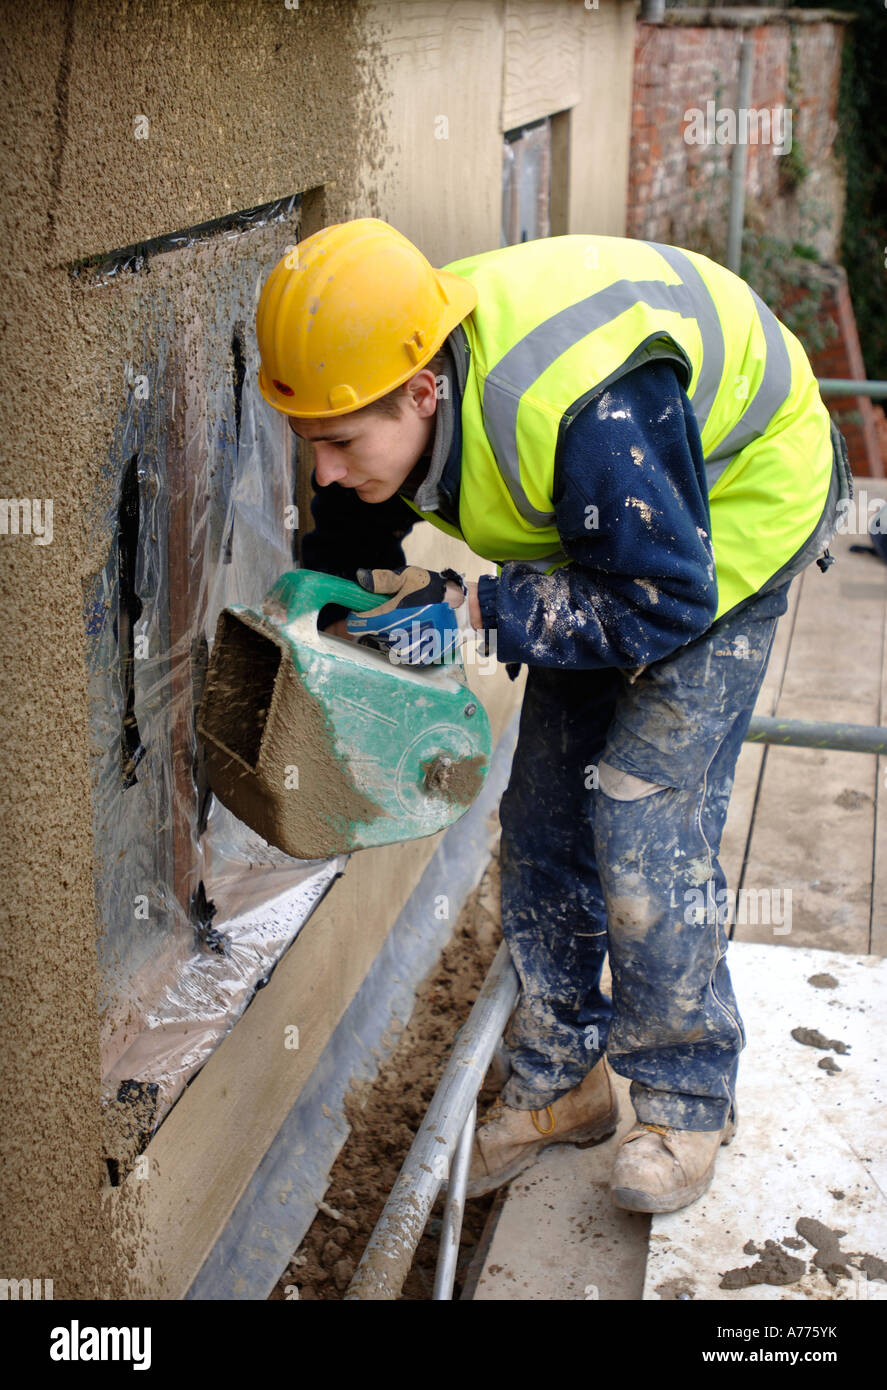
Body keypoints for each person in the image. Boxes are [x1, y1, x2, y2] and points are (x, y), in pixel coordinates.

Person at [255, 218, 852, 1213]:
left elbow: (658, 601)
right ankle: (561, 1076)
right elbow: (354, 522)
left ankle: (682, 1098)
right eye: (307, 443)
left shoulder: (575, 408)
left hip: (725, 519)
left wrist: (477, 611)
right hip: (609, 528)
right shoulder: (388, 367)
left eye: (340, 445)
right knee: (540, 809)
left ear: (421, 393)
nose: (321, 468)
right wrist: (322, 620)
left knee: (640, 810)